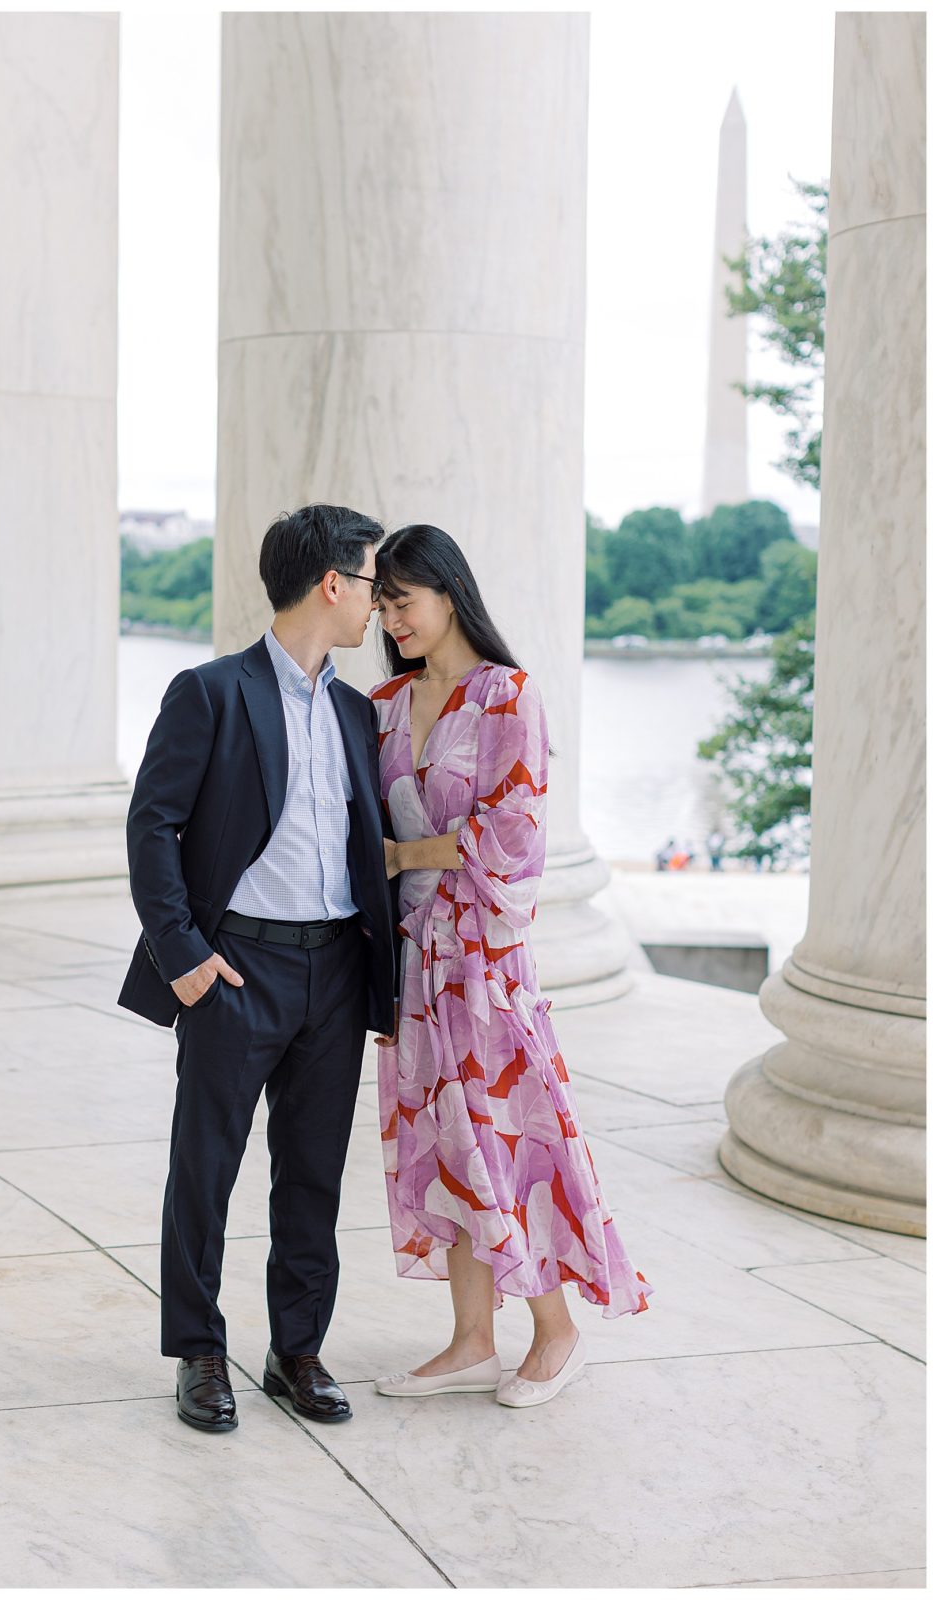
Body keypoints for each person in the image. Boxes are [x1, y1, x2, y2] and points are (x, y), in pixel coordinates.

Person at [118, 504, 399, 1434]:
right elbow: (151, 826)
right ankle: (198, 1350)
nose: (375, 604)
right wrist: (185, 958)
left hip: (335, 974)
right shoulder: (210, 692)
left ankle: (297, 1350)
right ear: (330, 584)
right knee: (205, 1169)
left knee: (313, 1173)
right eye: (368, 582)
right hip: (237, 970)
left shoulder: (360, 711)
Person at [368, 524, 652, 1410]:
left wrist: (404, 856)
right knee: (440, 1145)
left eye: (401, 599)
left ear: (447, 592)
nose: (390, 617)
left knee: (507, 1137)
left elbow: (512, 836)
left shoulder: (506, 698)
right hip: (413, 965)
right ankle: (470, 1340)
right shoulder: (382, 702)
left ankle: (557, 1333)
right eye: (379, 603)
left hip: (484, 967)